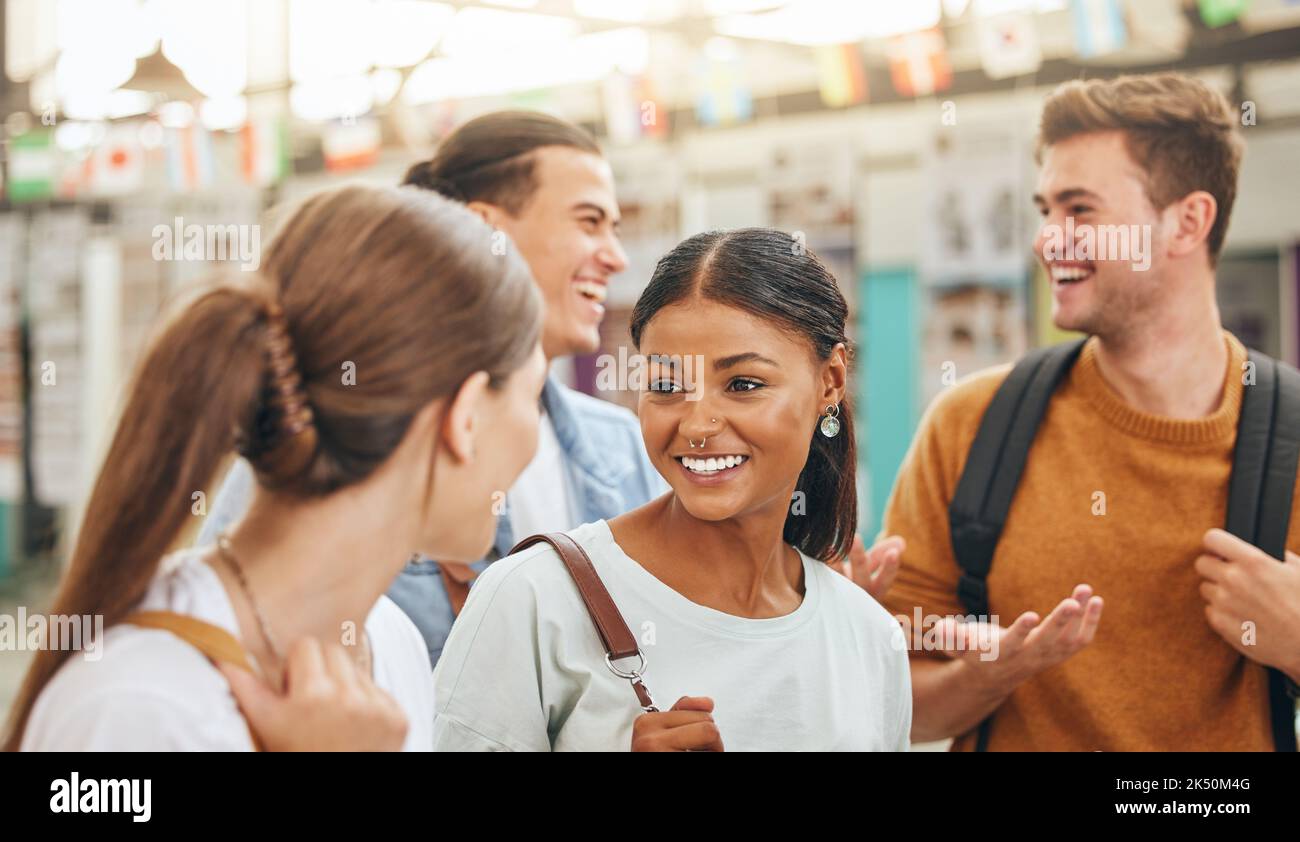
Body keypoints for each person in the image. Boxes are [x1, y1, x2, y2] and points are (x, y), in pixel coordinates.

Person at [4, 184, 546, 751]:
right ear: (465, 419)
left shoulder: (390, 642)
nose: (534, 439)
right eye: (532, 397)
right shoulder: (138, 705)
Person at [875, 73, 1300, 751]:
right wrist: (990, 677)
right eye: (1045, 211)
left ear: (1187, 222)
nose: (1047, 240)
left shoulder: (1292, 441)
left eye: (1079, 210)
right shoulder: (970, 426)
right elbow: (903, 708)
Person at [197, 111, 668, 668]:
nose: (616, 256)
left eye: (615, 229)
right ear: (484, 230)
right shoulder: (340, 434)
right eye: (589, 222)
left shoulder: (627, 449)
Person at [431, 228, 912, 751]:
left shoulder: (867, 635)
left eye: (743, 385)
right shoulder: (531, 599)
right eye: (666, 387)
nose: (697, 424)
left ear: (831, 382)